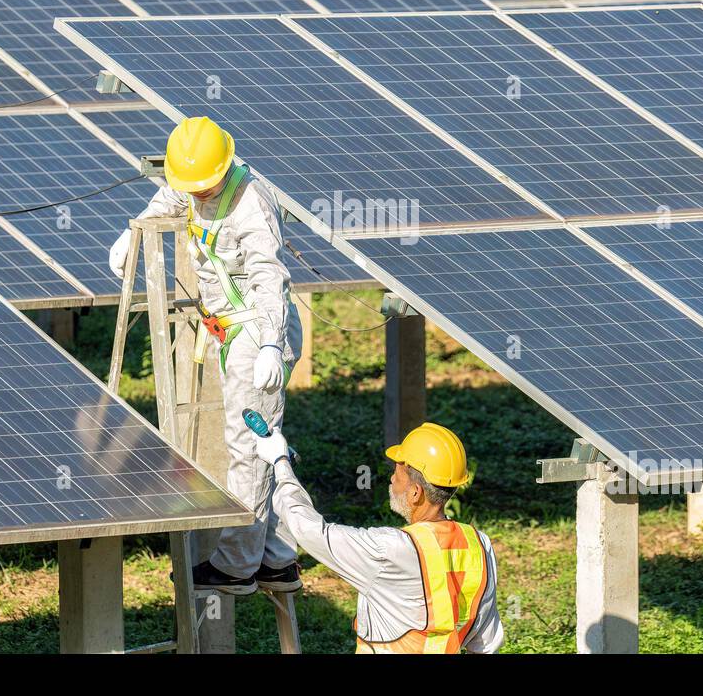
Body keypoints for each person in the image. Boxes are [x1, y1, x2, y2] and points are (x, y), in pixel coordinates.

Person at [109, 116, 302, 596]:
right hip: (228, 334)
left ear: (226, 167)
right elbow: (172, 197)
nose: (197, 193)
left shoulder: (251, 204)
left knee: (249, 448)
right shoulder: (193, 186)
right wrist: (135, 233)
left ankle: (236, 566)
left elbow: (269, 279)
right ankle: (276, 558)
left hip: (256, 335)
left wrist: (272, 345)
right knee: (265, 447)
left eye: (204, 185)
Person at [255, 421, 504, 653]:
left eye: (398, 473)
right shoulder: (479, 546)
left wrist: (280, 464)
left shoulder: (391, 550)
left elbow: (309, 531)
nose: (392, 479)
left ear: (416, 493)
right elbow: (486, 642)